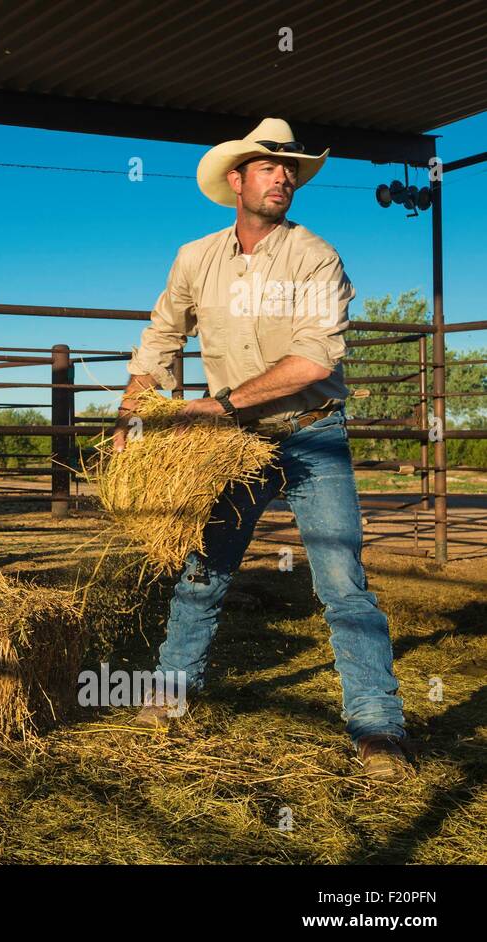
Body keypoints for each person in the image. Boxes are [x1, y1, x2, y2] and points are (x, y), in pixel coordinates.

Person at [112, 118, 411, 780]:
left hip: (312, 433)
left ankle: (377, 727)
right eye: (270, 165)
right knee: (202, 570)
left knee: (343, 585)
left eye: (291, 169)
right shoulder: (195, 258)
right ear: (236, 178)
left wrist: (214, 405)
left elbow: (312, 359)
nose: (284, 176)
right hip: (236, 445)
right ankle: (168, 692)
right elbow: (162, 335)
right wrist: (134, 406)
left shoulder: (317, 258)